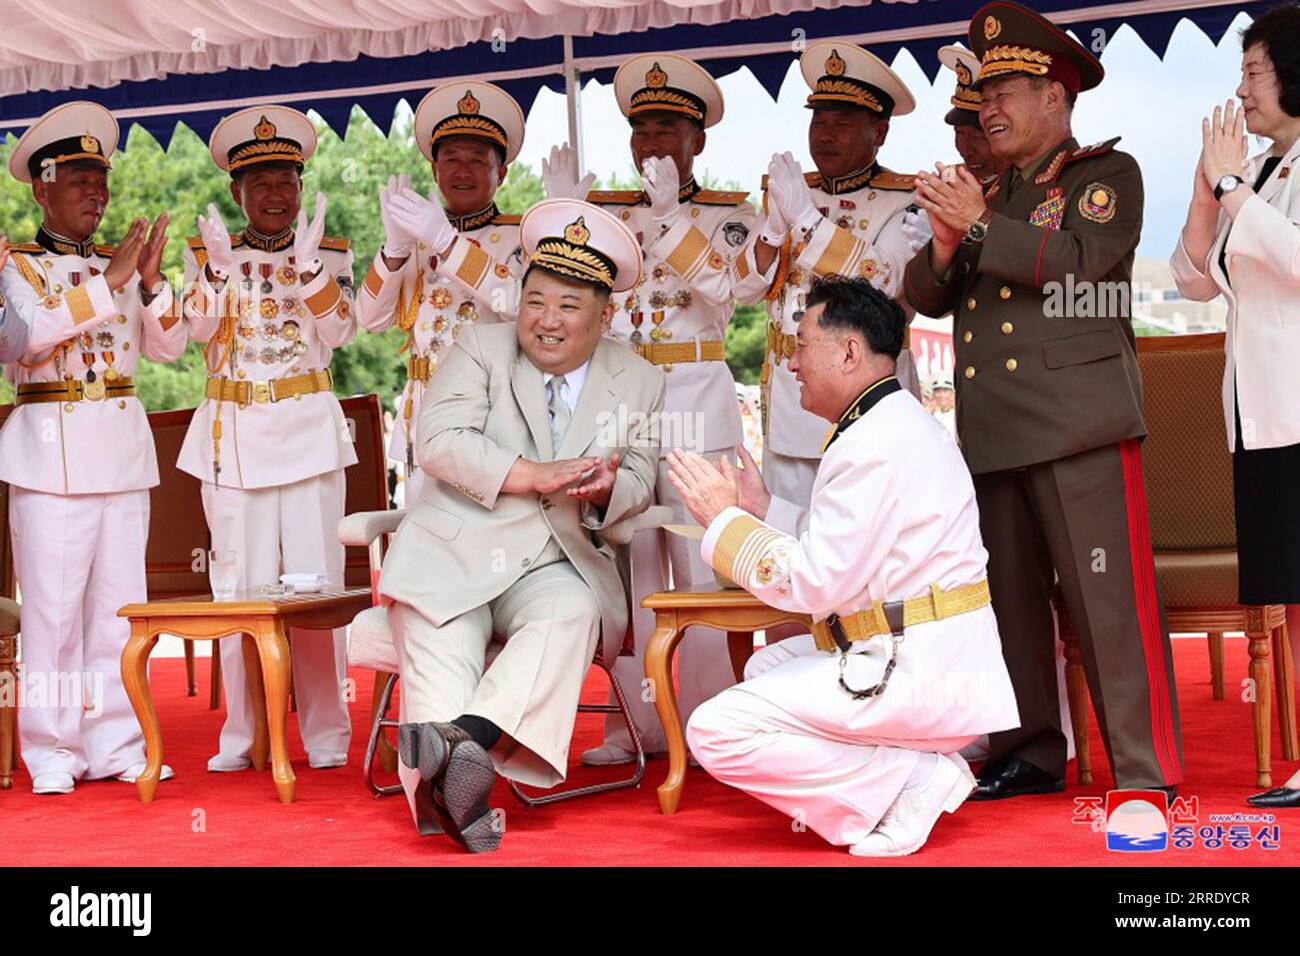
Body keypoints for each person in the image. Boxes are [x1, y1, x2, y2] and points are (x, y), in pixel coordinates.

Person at [905, 0, 1183, 799]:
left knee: (1109, 604)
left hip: (1077, 426)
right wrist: (950, 240)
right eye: (982, 95)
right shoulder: (990, 194)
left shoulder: (1102, 175)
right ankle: (1028, 751)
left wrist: (978, 225)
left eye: (1003, 93)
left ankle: (1146, 770)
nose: (987, 108)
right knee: (1010, 608)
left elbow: (1079, 264)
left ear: (1054, 96)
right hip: (995, 430)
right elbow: (925, 296)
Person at [671, 276, 1019, 857]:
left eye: (802, 346)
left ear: (850, 351)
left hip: (918, 669)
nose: (791, 363)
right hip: (934, 655)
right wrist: (763, 510)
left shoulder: (870, 443)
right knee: (766, 666)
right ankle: (903, 769)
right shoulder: (888, 423)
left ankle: (911, 781)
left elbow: (817, 584)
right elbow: (850, 546)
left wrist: (724, 521)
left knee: (714, 730)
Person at [383, 198, 665, 852]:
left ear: (605, 315)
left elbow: (641, 476)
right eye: (535, 302)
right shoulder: (480, 346)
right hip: (451, 558)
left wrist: (607, 490)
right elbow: (440, 440)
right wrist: (531, 474)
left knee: (571, 613)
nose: (547, 321)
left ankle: (463, 741)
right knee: (442, 664)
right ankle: (459, 785)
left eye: (568, 306)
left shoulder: (641, 379)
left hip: (555, 562)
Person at [545, 53, 760, 766]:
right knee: (630, 567)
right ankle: (632, 727)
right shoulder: (605, 217)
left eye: (668, 129)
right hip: (623, 400)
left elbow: (731, 291)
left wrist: (670, 219)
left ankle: (709, 723)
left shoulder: (731, 215)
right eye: (643, 131)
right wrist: (564, 220)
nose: (653, 144)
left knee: (703, 568)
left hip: (697, 396)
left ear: (699, 139)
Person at [0, 101, 186, 794]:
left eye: (100, 181)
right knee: (51, 617)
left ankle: (116, 742)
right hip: (49, 459)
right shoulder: (16, 267)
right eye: (79, 180)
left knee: (118, 615)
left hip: (120, 454)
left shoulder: (122, 265)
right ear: (41, 188)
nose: (95, 194)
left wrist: (151, 283)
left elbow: (170, 347)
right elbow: (25, 341)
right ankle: (51, 748)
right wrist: (108, 287)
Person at [177, 105, 356, 773]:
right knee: (239, 592)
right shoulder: (208, 254)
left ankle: (327, 735)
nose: (276, 194)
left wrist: (309, 271)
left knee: (315, 591)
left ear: (301, 186)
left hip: (308, 436)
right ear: (237, 192)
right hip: (233, 442)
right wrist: (218, 273)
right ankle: (243, 735)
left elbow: (342, 331)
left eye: (286, 180)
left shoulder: (328, 253)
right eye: (260, 183)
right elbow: (193, 333)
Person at [1167, 3, 1300, 808]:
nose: (1242, 91)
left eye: (1254, 72)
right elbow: (1192, 280)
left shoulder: (1261, 177)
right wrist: (1204, 190)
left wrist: (1229, 187)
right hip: (1260, 415)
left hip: (1296, 410)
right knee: (1290, 590)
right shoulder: (1259, 171)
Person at [732, 40, 927, 535]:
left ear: (879, 132)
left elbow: (885, 284)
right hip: (793, 394)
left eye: (842, 122)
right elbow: (744, 288)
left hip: (866, 391)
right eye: (819, 121)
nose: (825, 133)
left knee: (870, 535)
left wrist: (805, 221)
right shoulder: (791, 191)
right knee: (786, 537)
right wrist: (774, 229)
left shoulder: (903, 201)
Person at [357, 82, 526, 501]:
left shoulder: (520, 236)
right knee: (425, 533)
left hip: (489, 410)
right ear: (435, 171)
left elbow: (520, 306)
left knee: (488, 531)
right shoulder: (415, 240)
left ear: (501, 173)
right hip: (423, 410)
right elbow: (370, 319)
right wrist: (394, 250)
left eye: (477, 160)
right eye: (451, 159)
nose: (462, 171)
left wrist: (448, 244)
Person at [939, 44, 1003, 187]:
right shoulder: (949, 182)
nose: (967, 150)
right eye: (959, 133)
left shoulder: (1032, 185)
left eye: (978, 136)